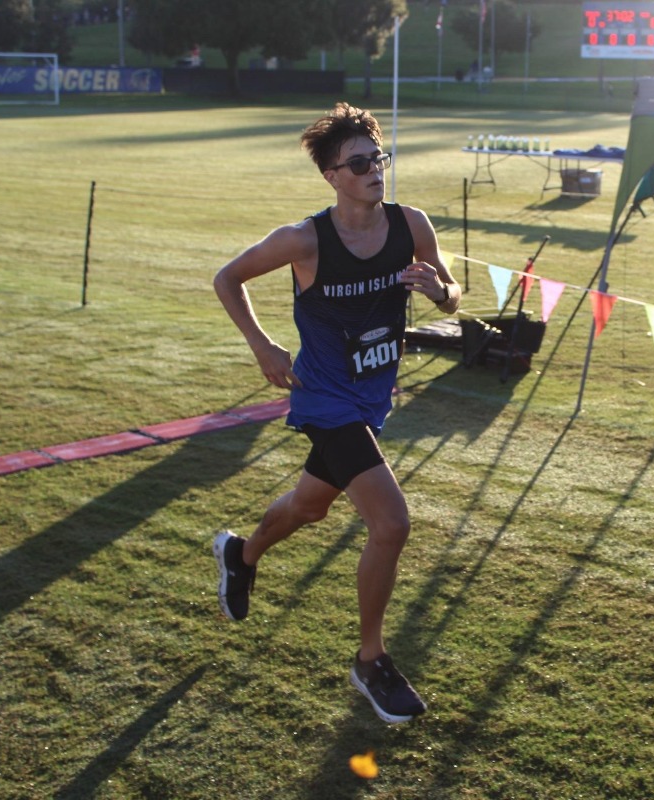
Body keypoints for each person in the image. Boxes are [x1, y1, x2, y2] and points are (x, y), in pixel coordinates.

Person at [212, 102, 461, 724]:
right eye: (358, 162)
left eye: (378, 156)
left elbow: (453, 294)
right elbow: (228, 278)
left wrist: (438, 291)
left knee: (309, 506)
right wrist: (264, 345)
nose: (374, 169)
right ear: (332, 176)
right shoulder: (305, 239)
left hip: (373, 396)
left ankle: (241, 556)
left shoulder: (411, 224)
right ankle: (370, 659)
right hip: (325, 398)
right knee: (392, 523)